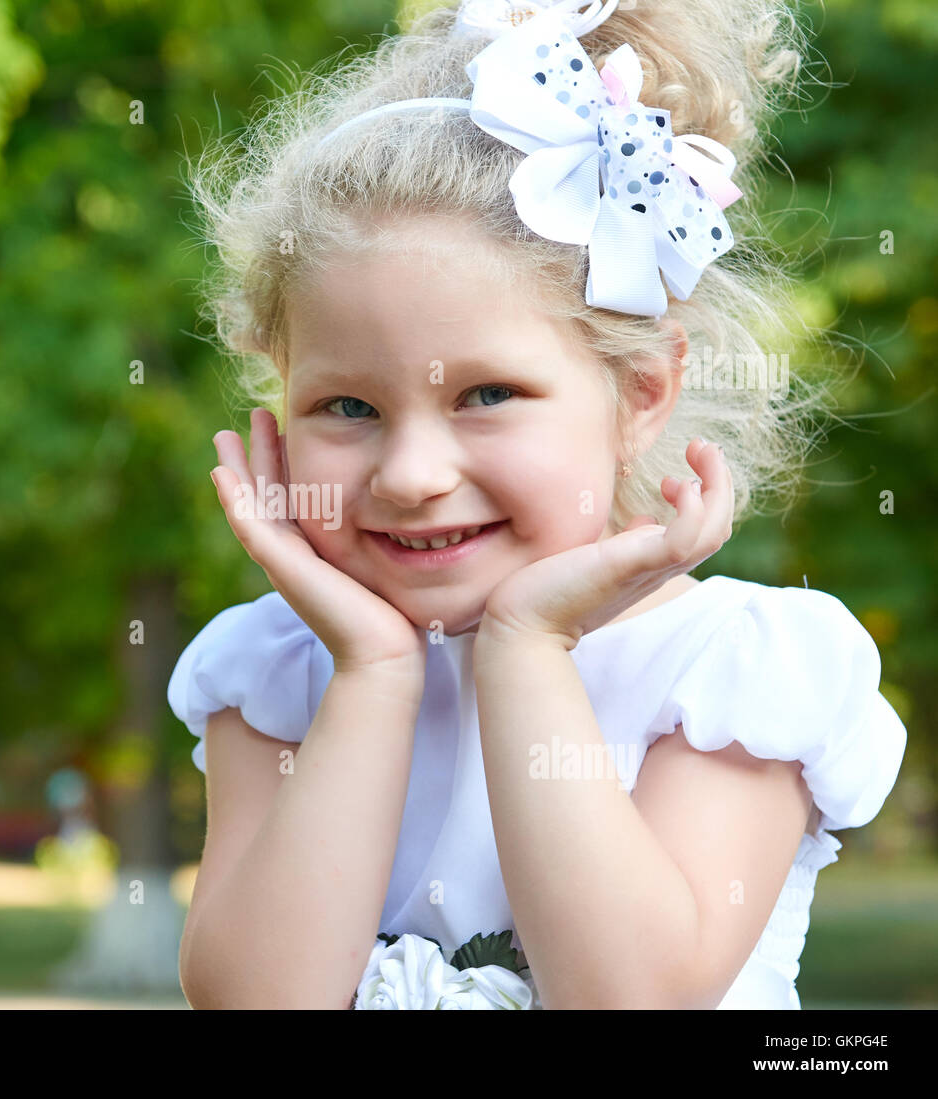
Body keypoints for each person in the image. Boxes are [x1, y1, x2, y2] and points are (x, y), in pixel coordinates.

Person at [167, 0, 906, 1009]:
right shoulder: (279, 677)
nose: (410, 475)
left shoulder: (727, 678)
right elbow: (255, 1000)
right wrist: (374, 673)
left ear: (639, 393)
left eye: (485, 396)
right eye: (346, 405)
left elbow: (627, 996)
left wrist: (524, 649)